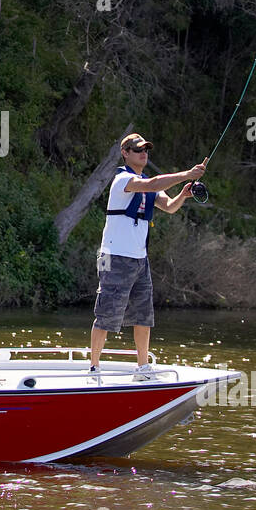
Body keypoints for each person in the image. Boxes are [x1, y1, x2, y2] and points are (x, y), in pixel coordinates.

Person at [91, 133, 206, 380]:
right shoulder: (123, 180)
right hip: (113, 256)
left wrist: (183, 195)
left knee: (143, 315)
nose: (143, 153)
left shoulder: (146, 183)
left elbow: (170, 207)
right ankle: (94, 368)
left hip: (139, 259)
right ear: (125, 153)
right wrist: (186, 174)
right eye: (137, 149)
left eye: (146, 150)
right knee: (107, 312)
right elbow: (153, 184)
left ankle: (143, 368)